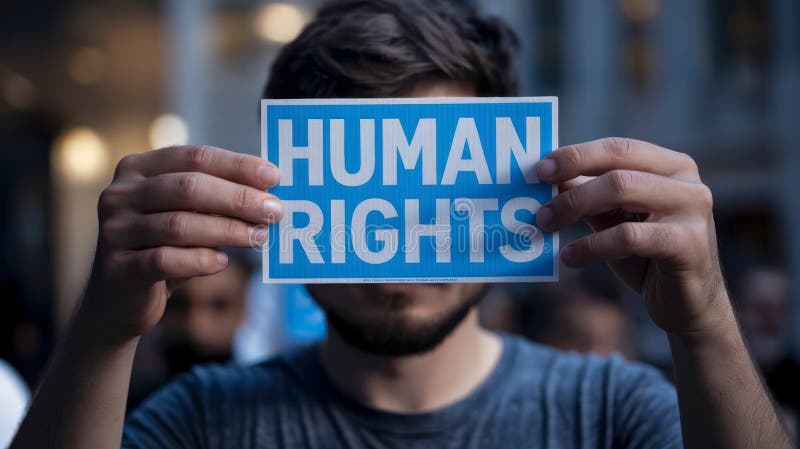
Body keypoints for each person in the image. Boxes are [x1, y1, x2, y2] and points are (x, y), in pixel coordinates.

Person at [11, 1, 791, 448]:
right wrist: (101, 332)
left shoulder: (615, 412)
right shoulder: (202, 419)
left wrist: (708, 326)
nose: (394, 260)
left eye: (442, 179)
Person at [127, 251, 252, 409]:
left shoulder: (263, 407)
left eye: (219, 305)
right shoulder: (121, 405)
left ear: (244, 308)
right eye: (179, 305)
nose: (198, 328)